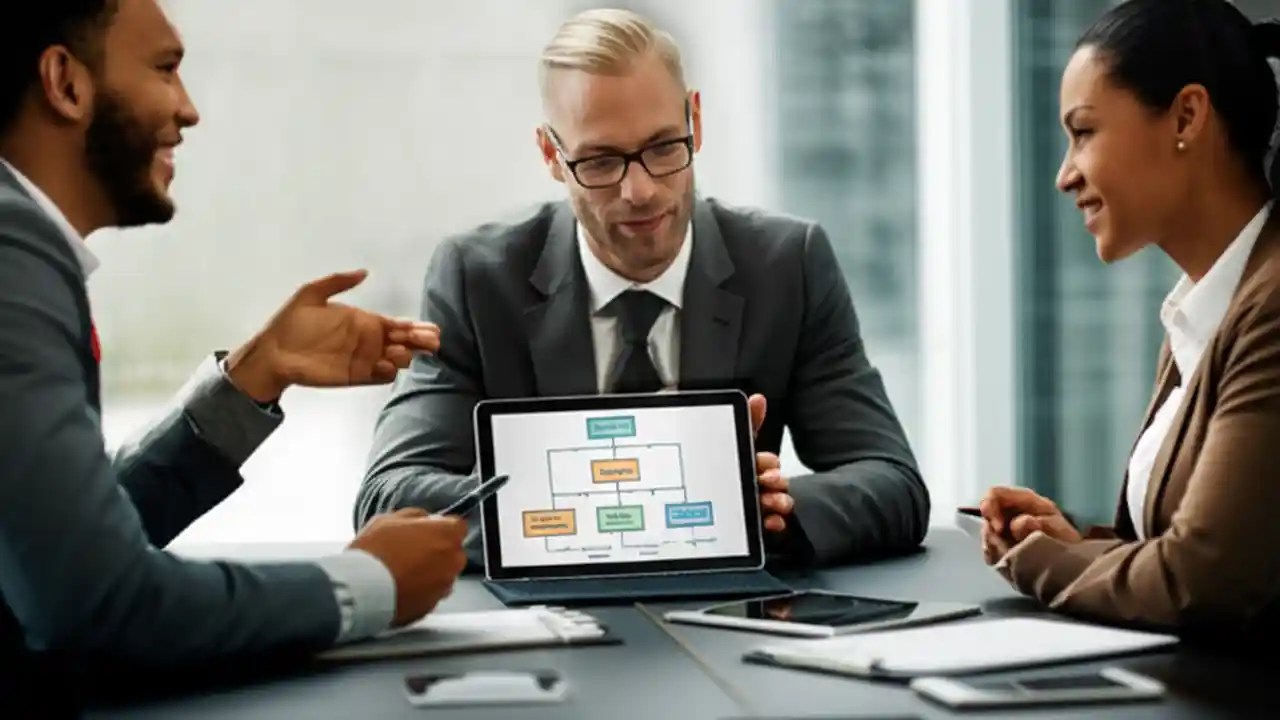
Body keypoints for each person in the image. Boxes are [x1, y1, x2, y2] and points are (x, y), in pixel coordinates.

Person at [0, 0, 468, 702]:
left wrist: (251, 378)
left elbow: (60, 550)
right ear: (66, 83)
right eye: (165, 69)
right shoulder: (13, 257)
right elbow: (96, 600)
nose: (188, 111)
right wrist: (369, 585)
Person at [356, 8, 928, 569]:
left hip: (733, 621)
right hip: (555, 632)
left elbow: (894, 483)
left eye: (663, 148)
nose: (641, 191)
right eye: (601, 161)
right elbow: (388, 499)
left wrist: (763, 511)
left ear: (695, 122)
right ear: (552, 155)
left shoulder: (787, 265)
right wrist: (606, 501)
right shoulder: (477, 279)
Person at [979, 0, 1280, 635]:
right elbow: (1177, 552)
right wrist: (1077, 549)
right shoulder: (1203, 311)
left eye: (1083, 132)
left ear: (1187, 116)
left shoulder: (1270, 305)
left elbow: (1202, 580)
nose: (1064, 175)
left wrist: (1043, 564)